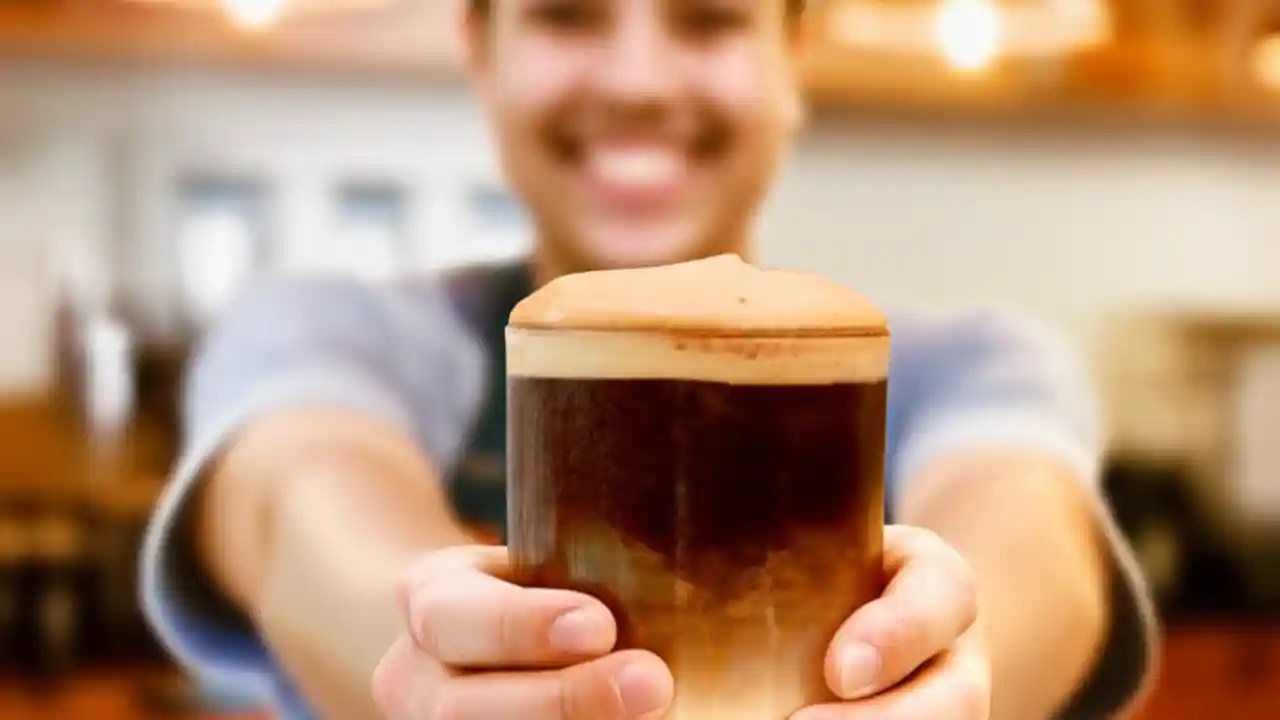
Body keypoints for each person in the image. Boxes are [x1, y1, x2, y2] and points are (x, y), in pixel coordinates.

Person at [140, 1, 1156, 718]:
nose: (636, 82)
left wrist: (957, 660)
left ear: (789, 56)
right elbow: (298, 502)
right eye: (567, 13)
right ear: (479, 51)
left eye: (709, 17)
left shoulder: (957, 359)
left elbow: (1041, 549)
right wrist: (430, 647)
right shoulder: (329, 329)